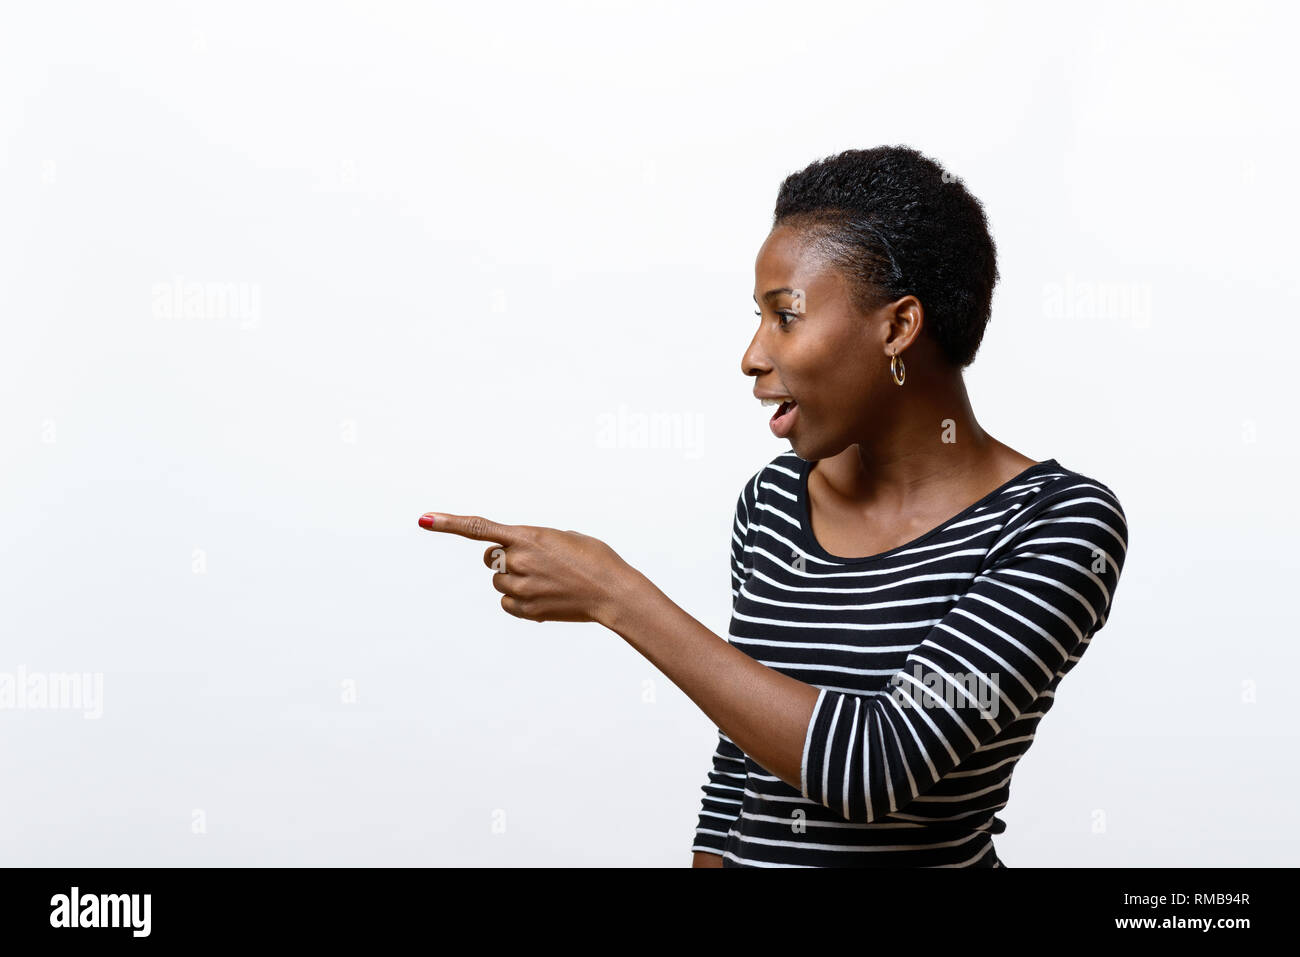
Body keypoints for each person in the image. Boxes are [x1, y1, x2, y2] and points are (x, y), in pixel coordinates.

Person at [418, 145, 1128, 868]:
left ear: (897, 327)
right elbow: (740, 764)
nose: (752, 356)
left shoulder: (1057, 524)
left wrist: (613, 593)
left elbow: (878, 767)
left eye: (784, 317)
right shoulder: (774, 502)